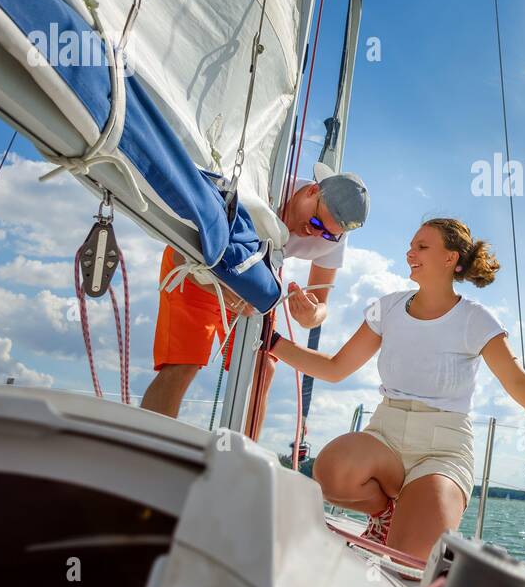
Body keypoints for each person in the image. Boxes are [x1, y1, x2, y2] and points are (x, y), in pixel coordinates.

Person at [267, 217, 525, 560]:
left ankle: (414, 517)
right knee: (331, 473)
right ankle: (385, 515)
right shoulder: (386, 308)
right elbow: (335, 368)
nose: (410, 253)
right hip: (385, 436)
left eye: (422, 246)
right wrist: (272, 340)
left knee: (409, 558)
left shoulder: (475, 319)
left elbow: (516, 381)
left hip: (442, 450)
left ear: (450, 258)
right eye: (410, 246)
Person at [141, 163, 370, 440]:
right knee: (182, 365)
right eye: (316, 223)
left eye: (329, 234)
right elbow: (183, 246)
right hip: (197, 262)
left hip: (254, 283)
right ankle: (146, 448)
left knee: (264, 367)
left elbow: (321, 305)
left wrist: (311, 316)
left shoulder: (332, 235)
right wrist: (223, 293)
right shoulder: (264, 181)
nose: (316, 235)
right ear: (311, 191)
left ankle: (237, 457)